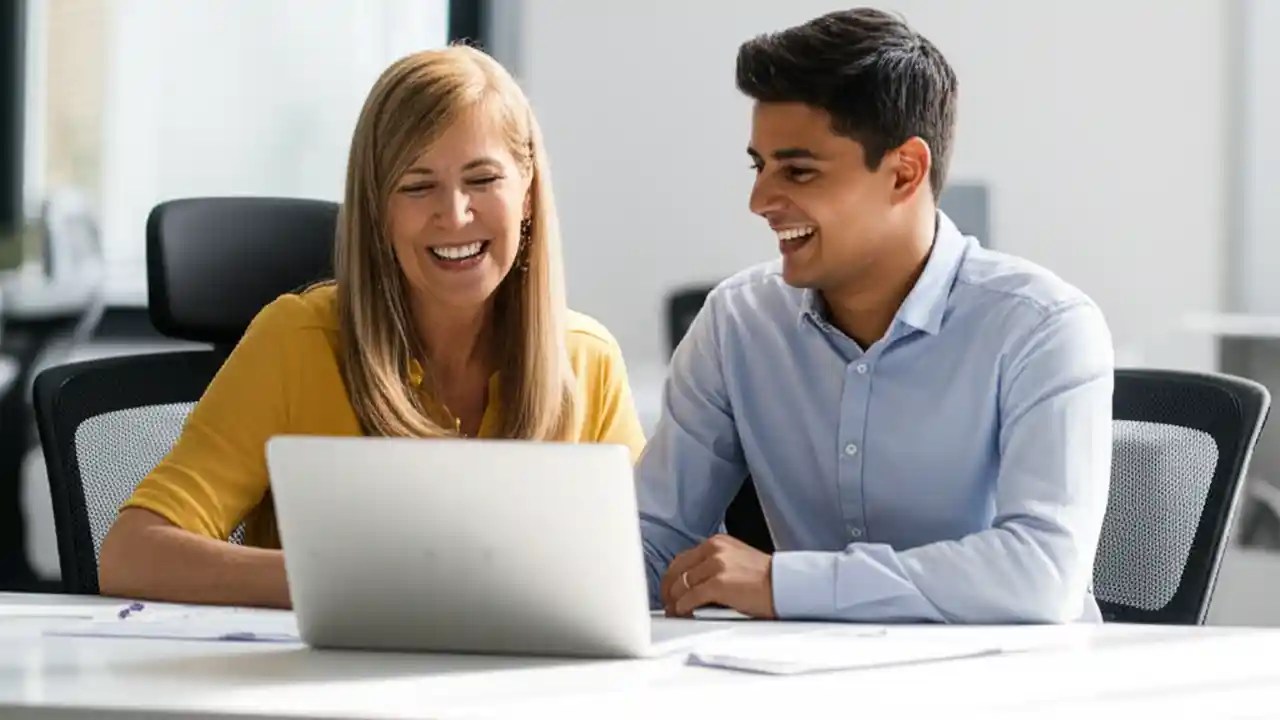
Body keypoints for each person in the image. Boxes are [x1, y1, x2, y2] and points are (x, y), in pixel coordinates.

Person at [99, 46, 645, 608]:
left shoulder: (586, 359)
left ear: (527, 193)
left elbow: (644, 563)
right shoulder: (296, 341)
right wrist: (345, 581)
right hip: (319, 690)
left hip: (521, 690)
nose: (454, 214)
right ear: (377, 207)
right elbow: (132, 554)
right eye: (416, 185)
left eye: (482, 179)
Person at [638, 8, 1114, 623]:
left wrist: (786, 583)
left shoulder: (1043, 328)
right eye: (760, 167)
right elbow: (654, 539)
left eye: (798, 170)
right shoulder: (738, 323)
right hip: (799, 684)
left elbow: (1040, 574)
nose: (759, 201)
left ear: (904, 172)